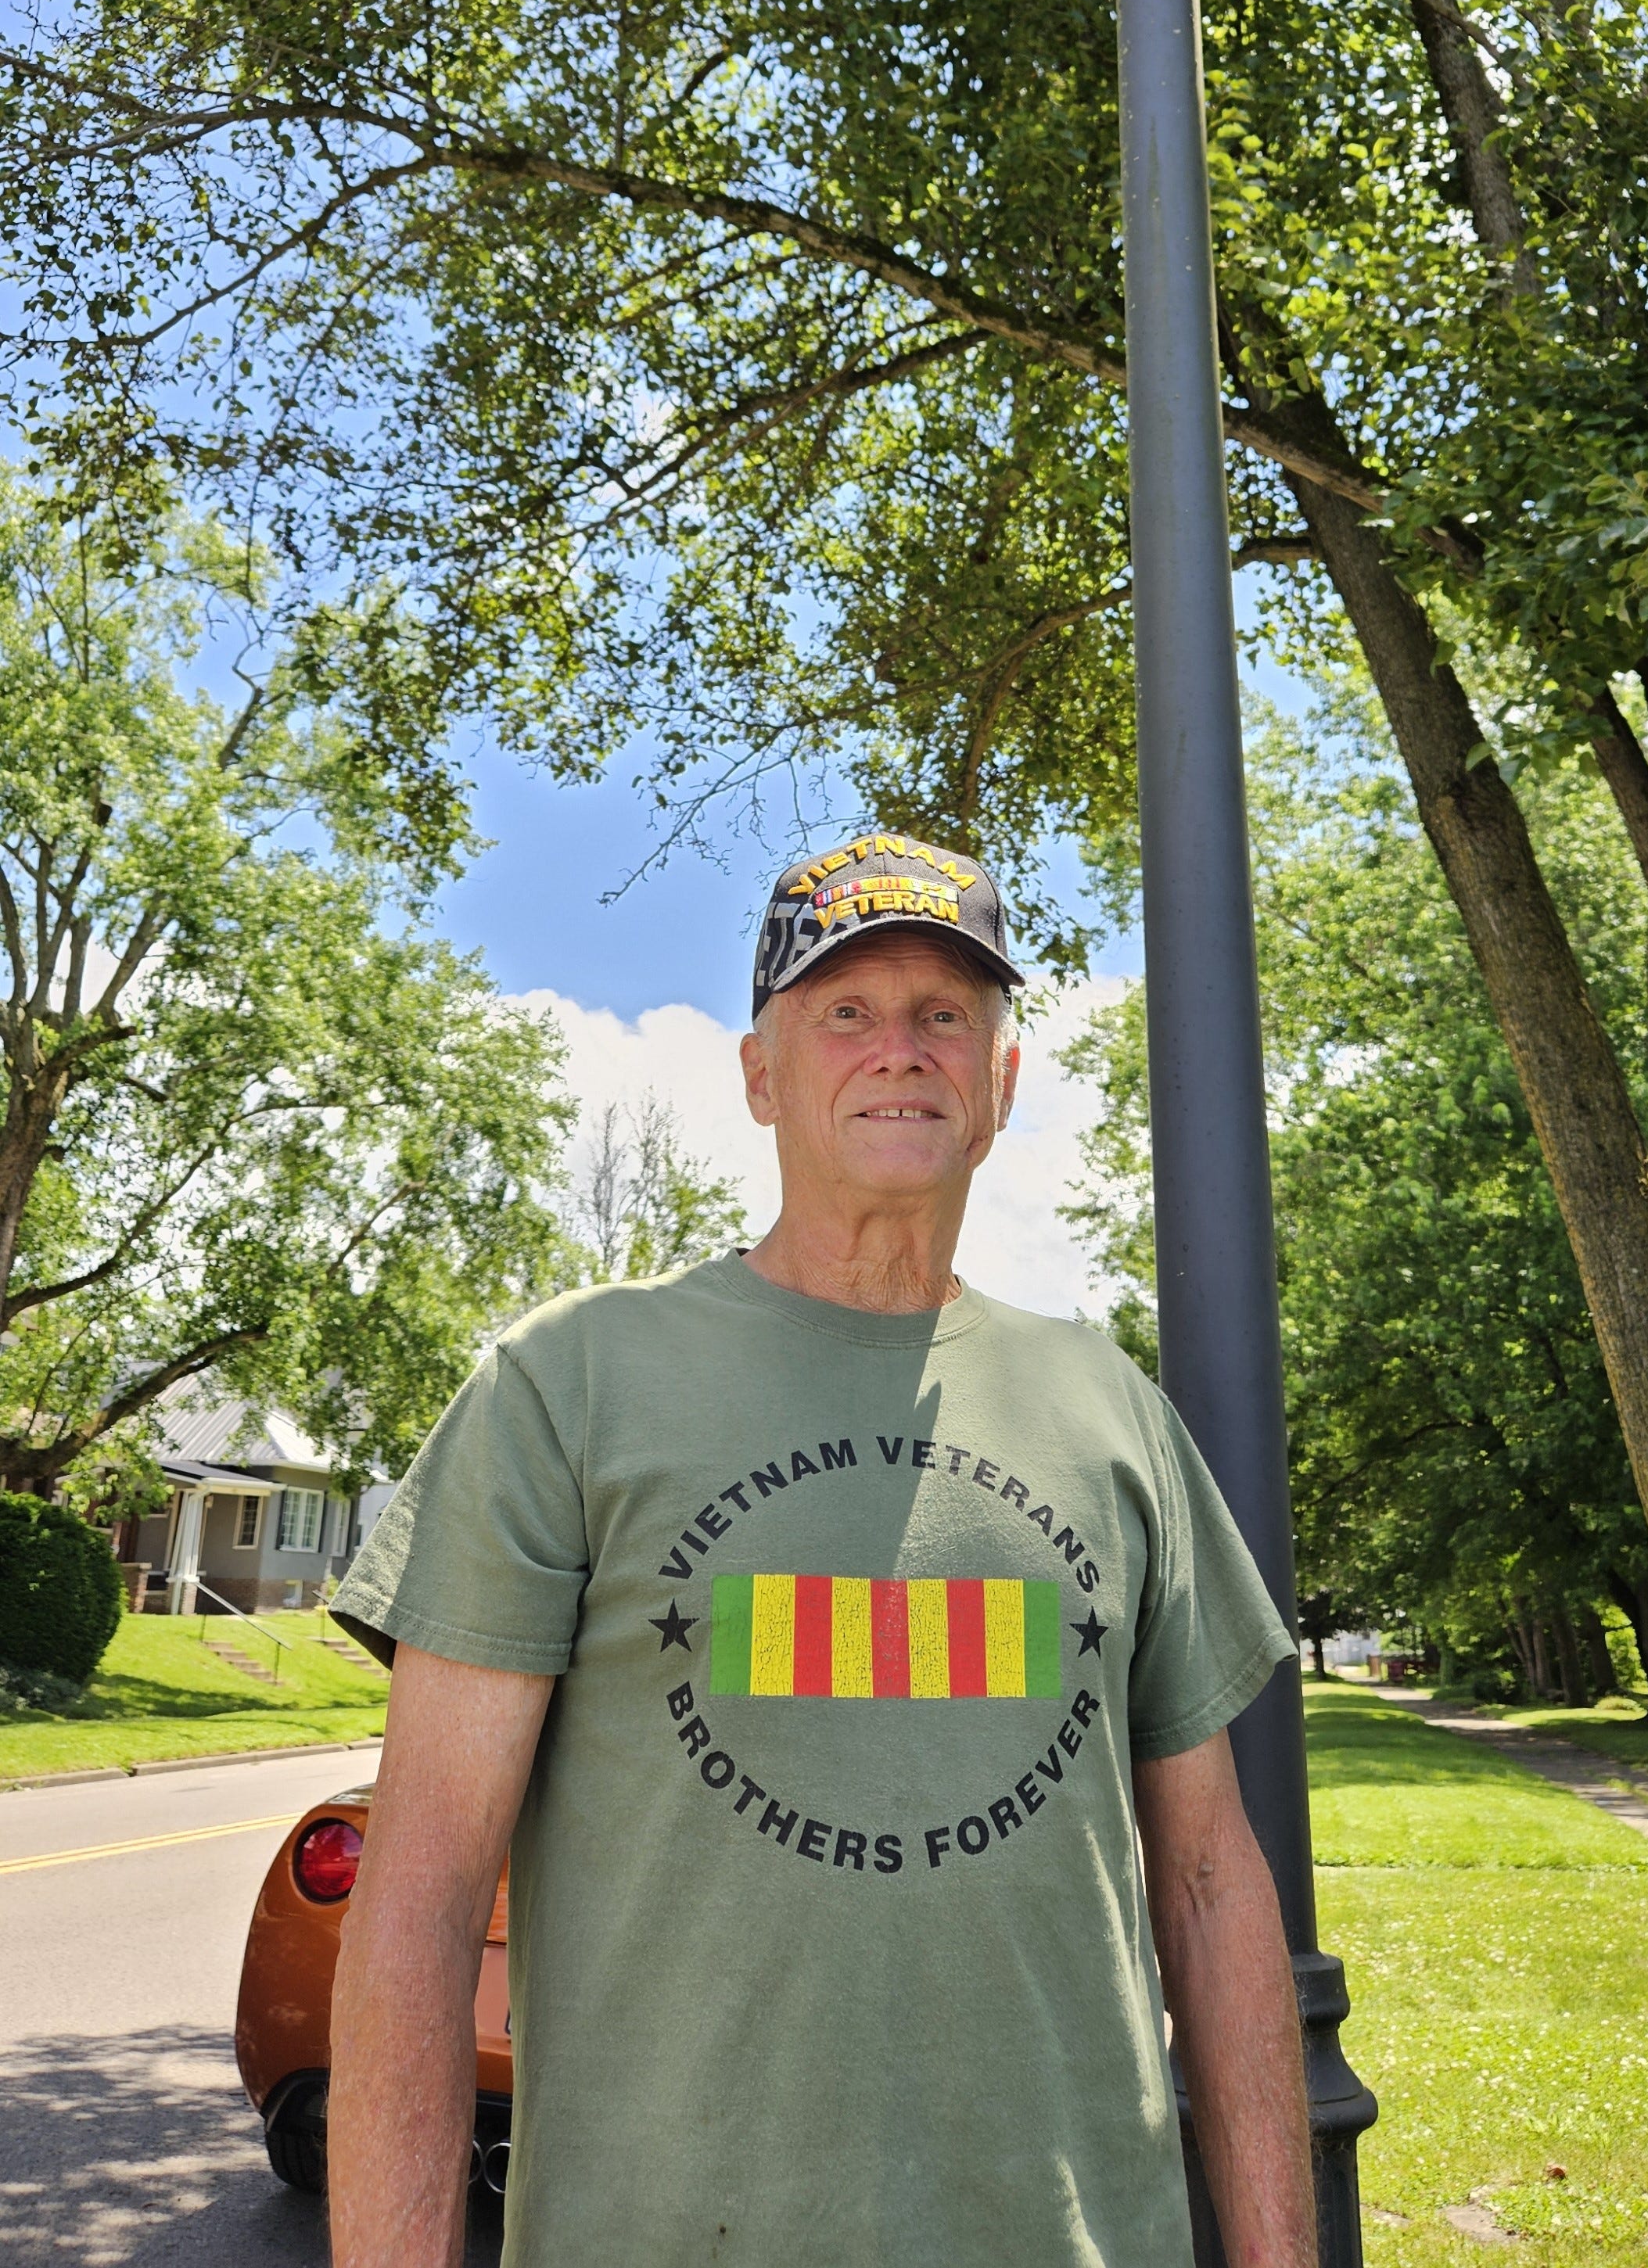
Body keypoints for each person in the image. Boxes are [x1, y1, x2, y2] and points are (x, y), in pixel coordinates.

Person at [327, 828, 1318, 2268]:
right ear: (758, 1072)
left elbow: (1215, 1886)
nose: (898, 1049)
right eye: (844, 1011)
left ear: (1001, 1079)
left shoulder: (1111, 1407)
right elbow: (415, 1902)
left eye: (944, 1014)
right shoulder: (565, 1386)